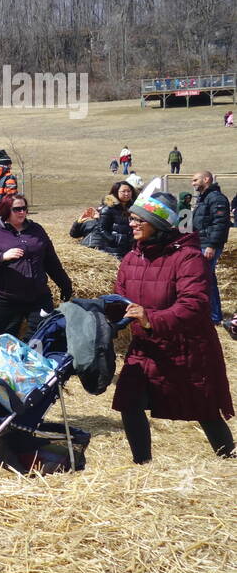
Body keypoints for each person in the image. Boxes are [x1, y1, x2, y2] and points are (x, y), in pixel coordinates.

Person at [114, 192, 234, 463]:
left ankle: (229, 458)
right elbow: (120, 295)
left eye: (138, 220)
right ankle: (142, 464)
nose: (132, 224)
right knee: (129, 402)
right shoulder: (132, 257)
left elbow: (194, 305)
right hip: (146, 346)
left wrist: (150, 319)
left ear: (158, 223)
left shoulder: (188, 258)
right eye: (131, 218)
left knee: (203, 408)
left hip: (187, 348)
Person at [0, 195, 73, 338]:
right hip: (5, 299)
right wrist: (2, 257)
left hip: (38, 296)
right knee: (5, 341)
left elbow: (51, 260)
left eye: (24, 208)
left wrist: (64, 283)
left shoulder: (36, 229)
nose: (22, 212)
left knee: (42, 337)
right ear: (5, 211)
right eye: (17, 209)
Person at [189, 171, 229, 324]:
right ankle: (209, 314)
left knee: (206, 279)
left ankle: (214, 316)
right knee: (206, 278)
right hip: (201, 243)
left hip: (208, 246)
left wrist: (211, 245)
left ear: (206, 179)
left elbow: (220, 223)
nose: (193, 183)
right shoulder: (203, 198)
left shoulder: (216, 198)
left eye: (195, 180)